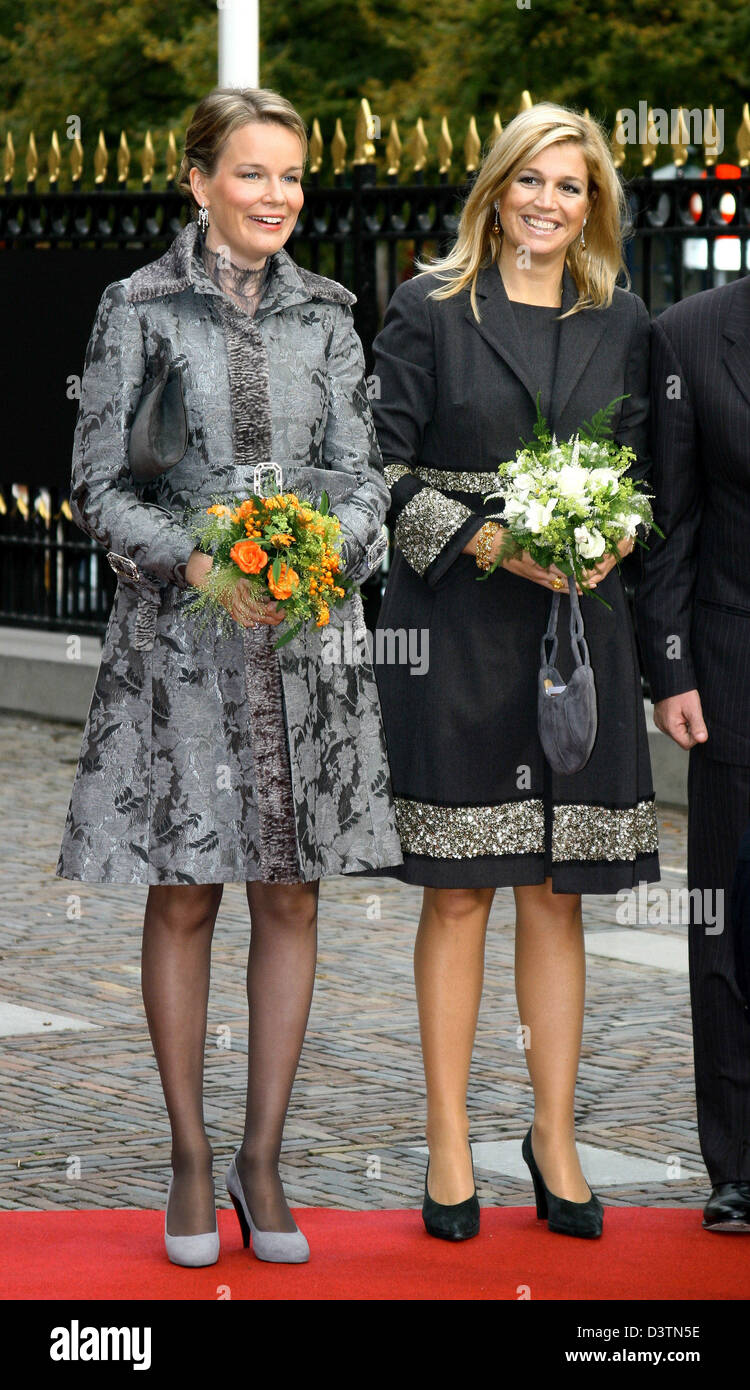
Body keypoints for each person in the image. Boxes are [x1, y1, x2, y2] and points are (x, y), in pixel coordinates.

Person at [56, 86, 403, 1266]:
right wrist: (201, 559)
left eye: (293, 176)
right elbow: (101, 488)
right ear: (199, 179)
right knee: (187, 891)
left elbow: (369, 480)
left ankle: (264, 1156)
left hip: (306, 652)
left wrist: (324, 559)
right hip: (183, 654)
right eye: (253, 174)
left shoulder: (332, 313)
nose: (278, 197)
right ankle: (191, 1157)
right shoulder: (136, 306)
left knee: (291, 894)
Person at [370, 103, 659, 1241]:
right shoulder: (427, 309)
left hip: (582, 633)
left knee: (559, 896)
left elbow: (645, 464)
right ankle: (449, 1141)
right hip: (455, 634)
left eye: (572, 187)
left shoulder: (624, 317)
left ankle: (555, 1136)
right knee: (459, 893)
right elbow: (378, 471)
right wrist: (496, 543)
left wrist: (617, 529)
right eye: (531, 181)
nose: (549, 203)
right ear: (495, 189)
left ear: (595, 205)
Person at [635, 272, 750, 1232]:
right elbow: (669, 523)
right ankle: (739, 1162)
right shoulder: (689, 335)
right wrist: (670, 668)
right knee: (731, 922)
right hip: (734, 666)